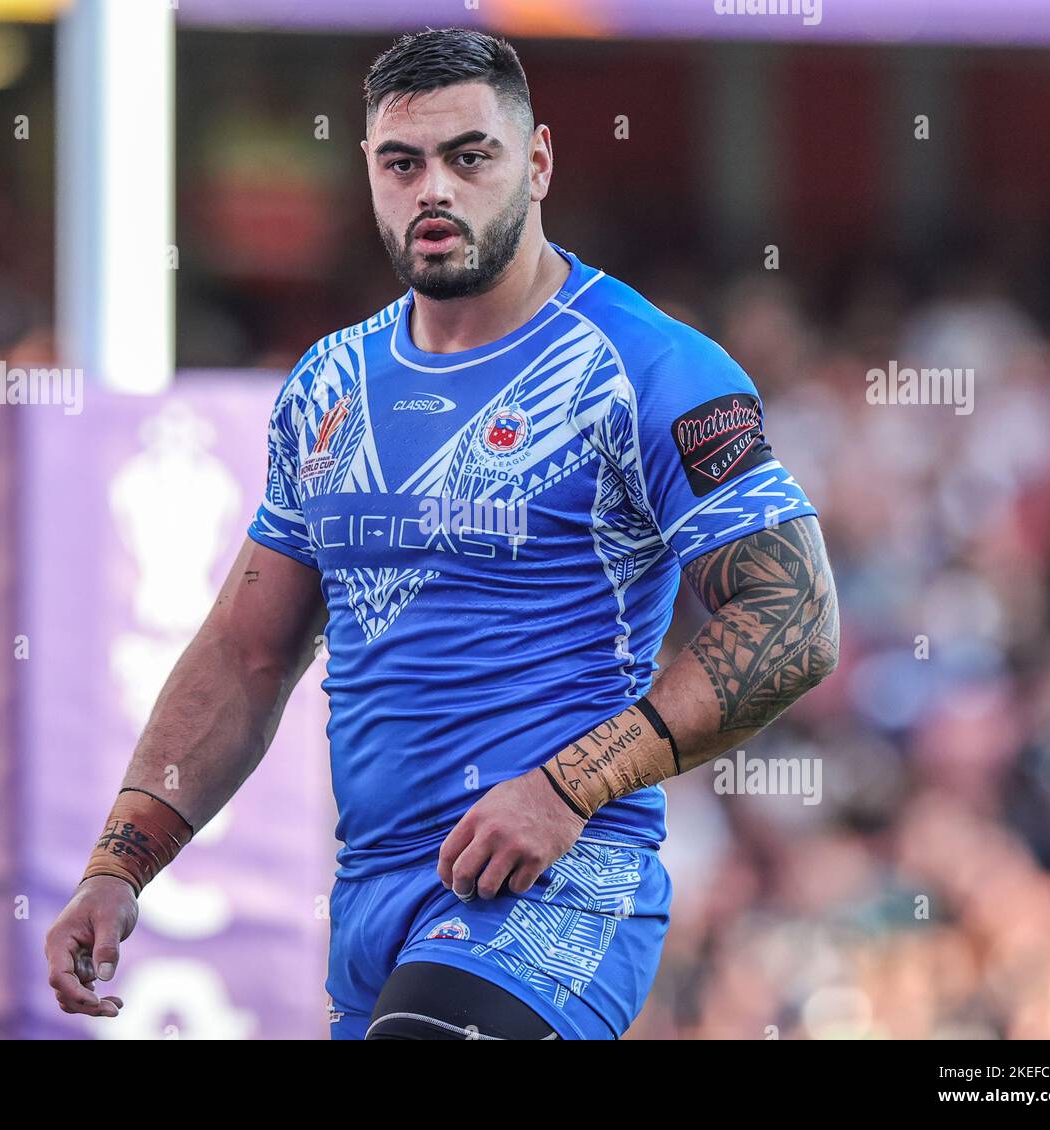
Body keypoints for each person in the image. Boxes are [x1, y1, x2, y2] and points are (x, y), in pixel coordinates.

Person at [45, 27, 839, 1040]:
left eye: (471, 157)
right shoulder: (329, 382)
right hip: (372, 902)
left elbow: (796, 613)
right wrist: (119, 862)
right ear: (368, 171)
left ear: (537, 161)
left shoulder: (648, 366)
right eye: (402, 162)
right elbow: (247, 655)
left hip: (555, 879)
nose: (435, 190)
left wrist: (567, 785)